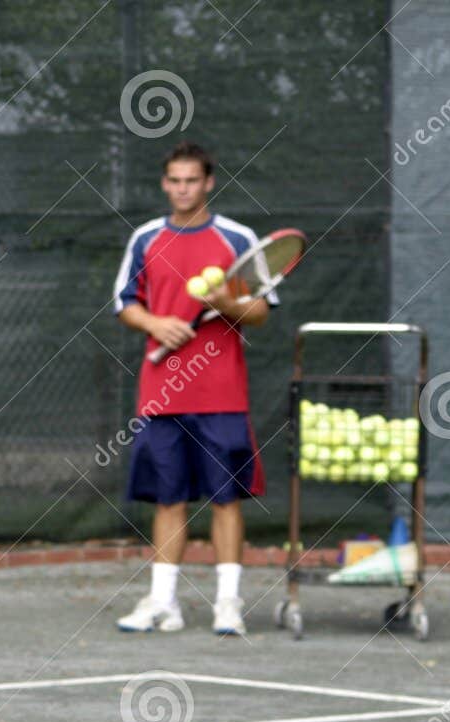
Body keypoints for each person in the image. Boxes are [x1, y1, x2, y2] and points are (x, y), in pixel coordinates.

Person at [111, 140, 276, 637]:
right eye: (174, 181)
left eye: (192, 181)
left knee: (225, 499)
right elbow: (124, 303)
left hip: (222, 393)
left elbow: (262, 312)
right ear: (166, 184)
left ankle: (228, 603)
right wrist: (157, 324)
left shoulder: (238, 238)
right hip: (161, 394)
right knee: (168, 499)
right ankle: (164, 603)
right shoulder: (145, 238)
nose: (183, 189)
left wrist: (227, 301)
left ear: (209, 183)